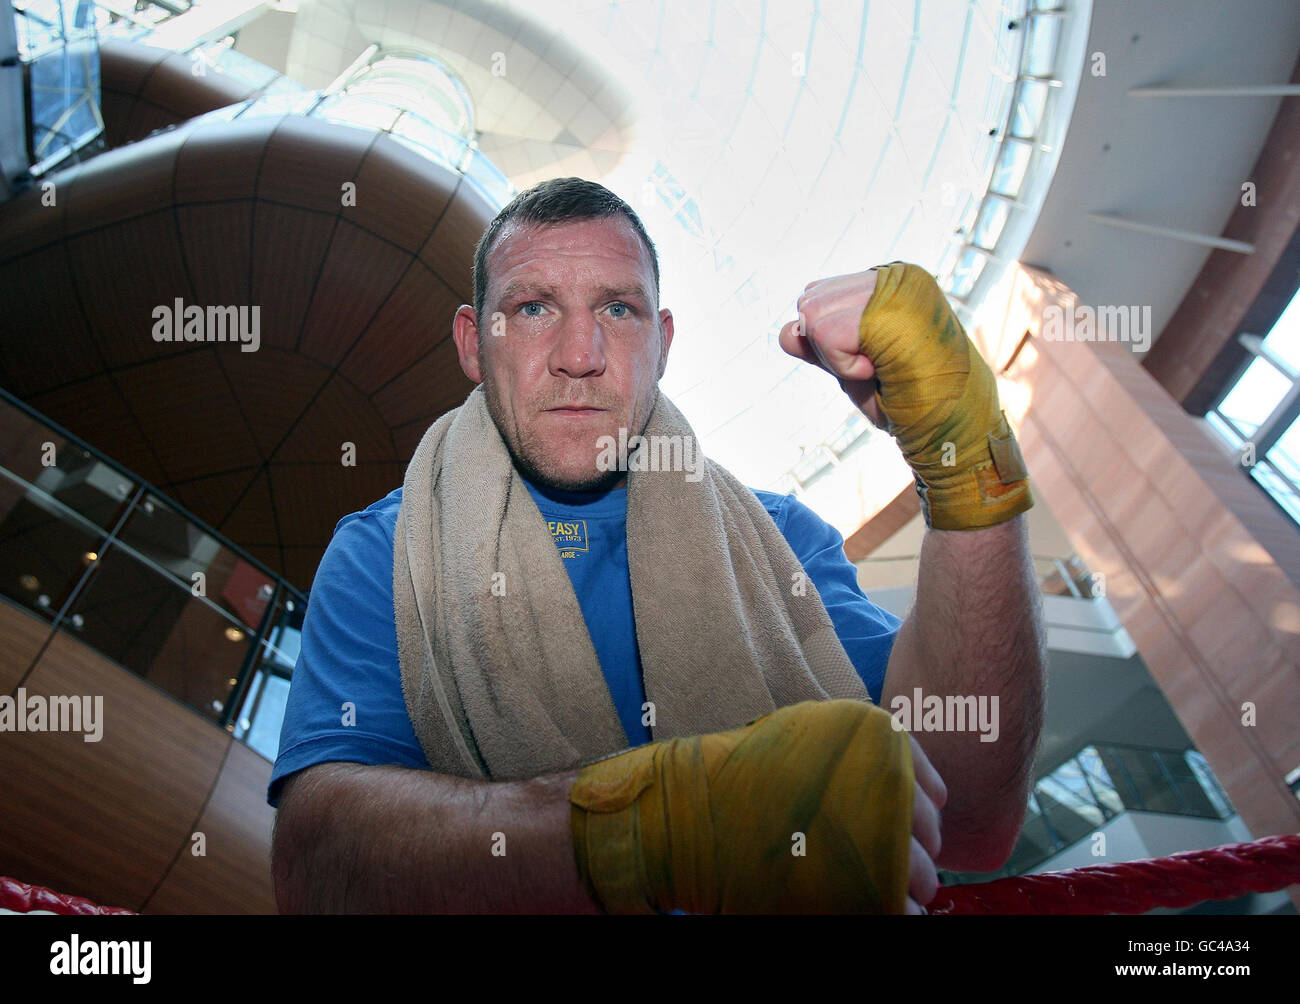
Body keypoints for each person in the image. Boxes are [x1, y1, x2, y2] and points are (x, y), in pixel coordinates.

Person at [268, 177, 1045, 914]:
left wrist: (967, 458)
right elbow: (317, 868)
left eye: (618, 308)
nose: (580, 353)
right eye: (534, 308)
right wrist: (654, 828)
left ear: (663, 340)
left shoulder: (782, 537)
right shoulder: (386, 551)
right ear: (475, 344)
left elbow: (971, 815)